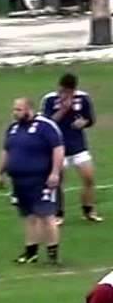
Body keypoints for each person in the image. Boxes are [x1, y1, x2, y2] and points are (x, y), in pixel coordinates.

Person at [0, 98, 64, 265]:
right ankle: (30, 253)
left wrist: (55, 173)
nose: (15, 113)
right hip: (19, 181)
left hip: (41, 179)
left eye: (19, 109)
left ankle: (52, 254)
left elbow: (58, 149)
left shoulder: (46, 126)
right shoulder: (13, 129)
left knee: (47, 216)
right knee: (29, 216)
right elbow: (6, 151)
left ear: (29, 109)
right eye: (14, 109)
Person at [42, 72, 101, 224]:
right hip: (58, 147)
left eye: (69, 92)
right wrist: (63, 110)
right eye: (62, 91)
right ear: (59, 88)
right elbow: (47, 123)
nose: (65, 95)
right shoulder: (50, 99)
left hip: (78, 146)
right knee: (58, 181)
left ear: (74, 90)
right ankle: (58, 213)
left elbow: (91, 119)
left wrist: (84, 123)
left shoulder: (83, 98)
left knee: (88, 178)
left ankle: (88, 210)